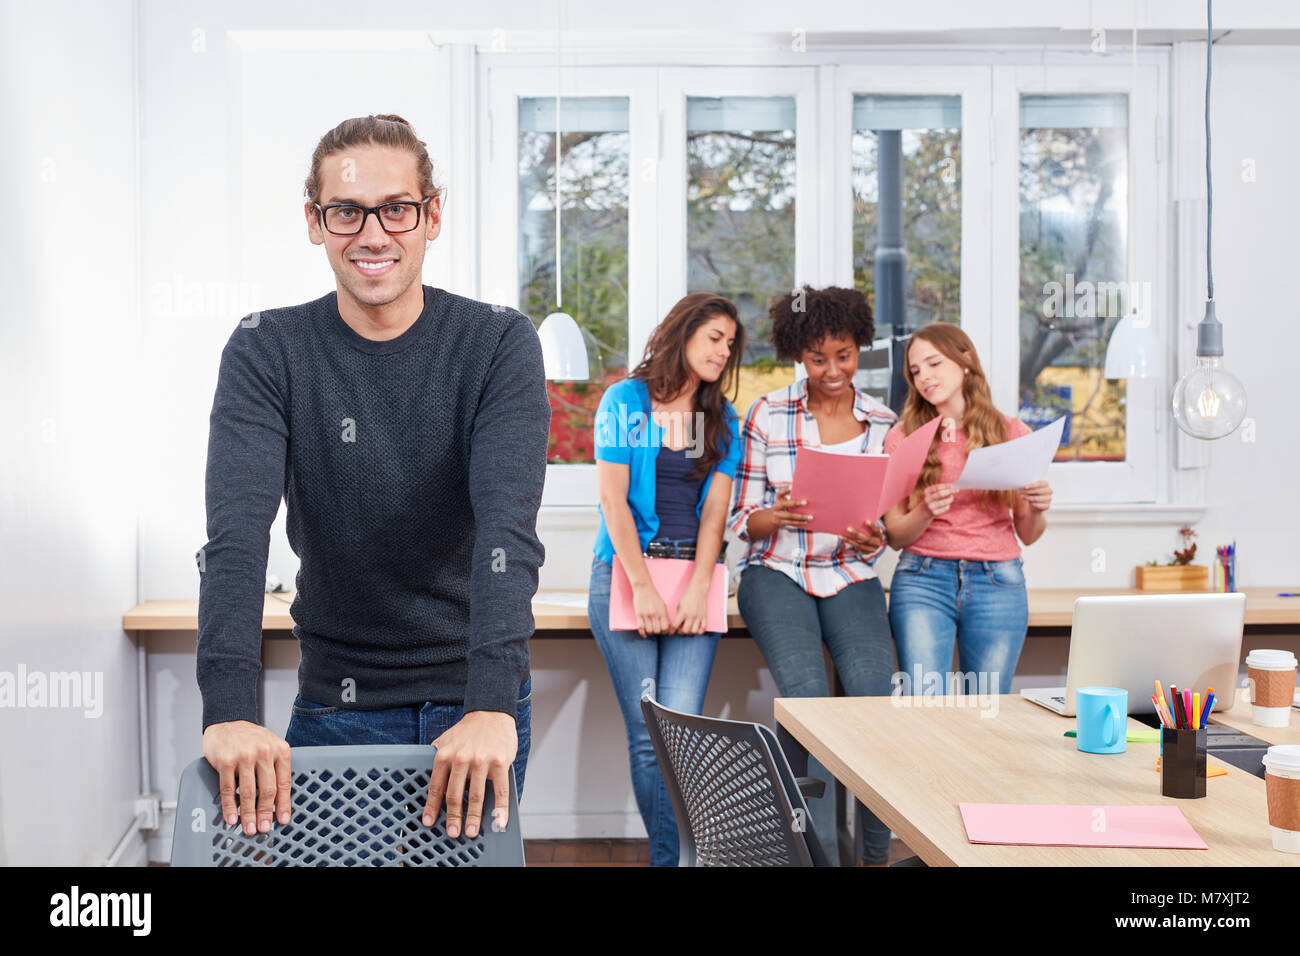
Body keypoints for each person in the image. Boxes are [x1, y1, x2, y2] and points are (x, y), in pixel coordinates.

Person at [196, 114, 549, 843]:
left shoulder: (497, 343)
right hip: (337, 700)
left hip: (471, 705)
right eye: (346, 211)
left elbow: (507, 534)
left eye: (396, 208)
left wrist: (490, 705)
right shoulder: (268, 349)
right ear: (315, 223)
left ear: (432, 216)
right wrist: (228, 709)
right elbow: (235, 540)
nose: (373, 233)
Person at [728, 285, 898, 867]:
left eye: (844, 356)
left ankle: (874, 855)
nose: (832, 370)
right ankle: (817, 857)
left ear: (860, 350)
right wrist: (774, 516)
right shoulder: (767, 413)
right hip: (777, 571)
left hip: (850, 572)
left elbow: (885, 519)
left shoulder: (883, 422)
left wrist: (874, 536)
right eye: (818, 358)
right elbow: (740, 519)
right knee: (808, 706)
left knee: (876, 703)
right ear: (798, 353)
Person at [586, 292, 744, 867]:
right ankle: (670, 861)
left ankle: (680, 859)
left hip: (693, 577)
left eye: (730, 344)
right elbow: (612, 501)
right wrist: (645, 587)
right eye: (714, 338)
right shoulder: (625, 401)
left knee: (683, 740)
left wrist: (702, 584)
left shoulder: (721, 418)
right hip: (627, 576)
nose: (723, 352)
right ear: (682, 334)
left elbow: (714, 513)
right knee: (652, 738)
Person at [882, 322, 1052, 698]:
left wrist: (1038, 508)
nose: (924, 377)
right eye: (915, 371)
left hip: (998, 582)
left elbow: (1028, 532)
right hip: (923, 580)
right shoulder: (902, 437)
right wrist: (925, 510)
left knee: (987, 711)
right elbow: (894, 535)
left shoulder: (1012, 433)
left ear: (965, 362)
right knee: (925, 708)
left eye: (933, 363)